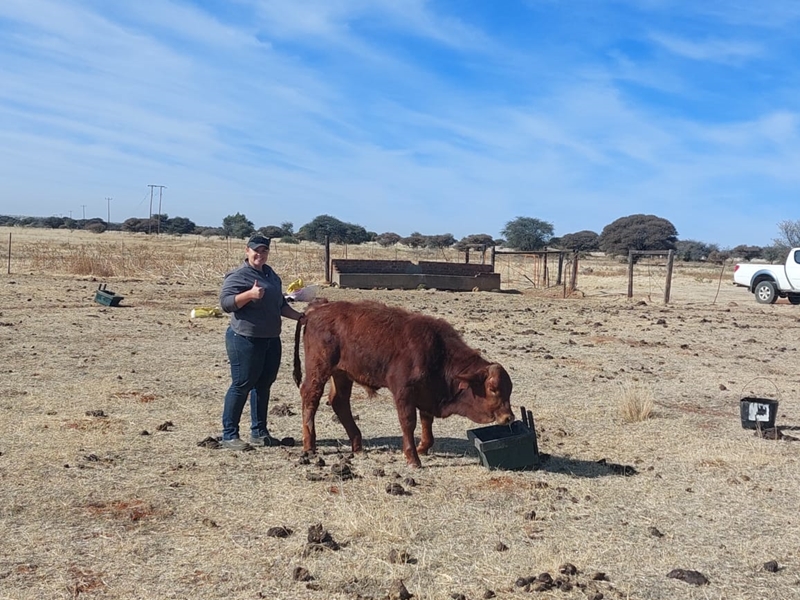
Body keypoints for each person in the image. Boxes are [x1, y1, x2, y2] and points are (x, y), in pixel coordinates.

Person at [218, 234, 304, 450]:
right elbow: (226, 304)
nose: (260, 254)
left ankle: (259, 432)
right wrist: (249, 295)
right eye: (256, 250)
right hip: (245, 339)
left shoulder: (271, 275)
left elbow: (280, 305)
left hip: (270, 339)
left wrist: (301, 318)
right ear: (247, 251)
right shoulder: (239, 275)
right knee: (242, 384)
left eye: (264, 250)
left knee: (263, 385)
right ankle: (229, 435)